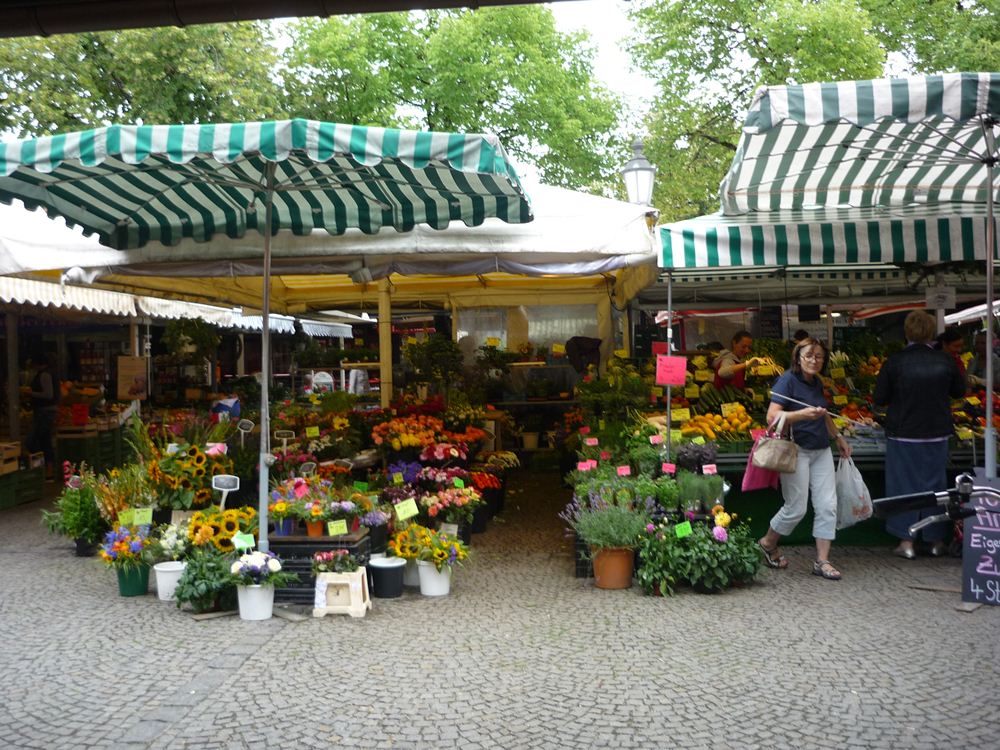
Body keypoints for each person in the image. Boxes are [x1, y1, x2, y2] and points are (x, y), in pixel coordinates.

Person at [757, 337, 852, 580]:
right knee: (795, 508)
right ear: (798, 357)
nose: (814, 360)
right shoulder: (787, 380)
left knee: (828, 505)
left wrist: (838, 436)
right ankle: (767, 543)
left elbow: (823, 414)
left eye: (819, 356)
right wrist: (801, 415)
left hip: (821, 450)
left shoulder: (817, 382)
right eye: (809, 355)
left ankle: (822, 561)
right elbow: (772, 416)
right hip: (795, 450)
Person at [874, 310, 966, 559]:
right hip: (937, 433)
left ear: (907, 333)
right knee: (936, 486)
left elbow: (879, 398)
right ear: (931, 333)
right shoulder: (945, 361)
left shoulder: (894, 362)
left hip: (903, 434)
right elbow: (959, 391)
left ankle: (906, 542)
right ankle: (935, 541)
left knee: (903, 488)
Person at [28, 353, 60, 480]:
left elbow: (48, 394)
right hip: (46, 412)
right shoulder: (50, 373)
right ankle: (47, 470)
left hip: (45, 412)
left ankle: (46, 470)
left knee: (38, 440)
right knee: (43, 440)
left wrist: (31, 393)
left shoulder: (45, 374)